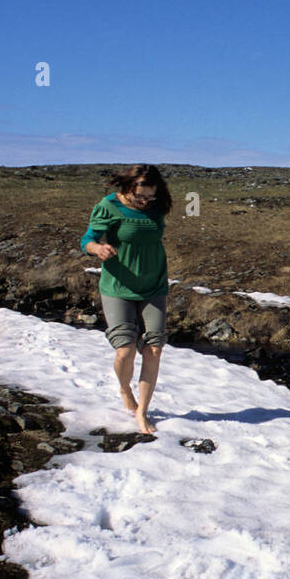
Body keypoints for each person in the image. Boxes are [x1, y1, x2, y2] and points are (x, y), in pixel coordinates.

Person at [79, 165, 173, 434]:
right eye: (139, 197)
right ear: (126, 188)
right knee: (126, 349)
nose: (144, 202)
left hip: (153, 286)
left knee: (154, 348)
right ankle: (124, 389)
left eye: (149, 198)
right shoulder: (108, 206)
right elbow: (88, 239)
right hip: (118, 286)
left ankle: (141, 412)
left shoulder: (156, 207)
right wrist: (97, 248)